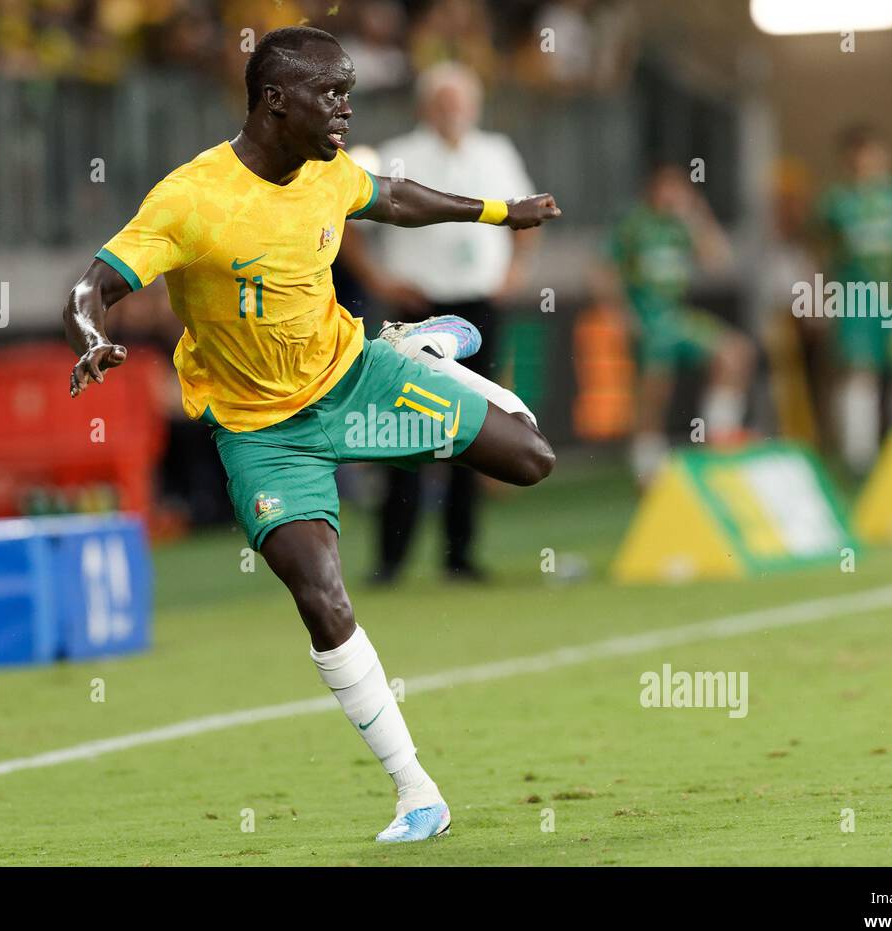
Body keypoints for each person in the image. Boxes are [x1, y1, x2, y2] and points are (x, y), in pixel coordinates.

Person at [61, 26, 560, 843]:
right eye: (331, 93)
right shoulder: (192, 198)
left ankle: (416, 349)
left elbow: (393, 196)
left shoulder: (326, 171)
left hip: (355, 378)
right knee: (321, 597)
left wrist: (505, 213)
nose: (346, 107)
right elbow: (94, 285)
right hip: (262, 432)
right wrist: (91, 337)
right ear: (274, 101)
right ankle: (416, 792)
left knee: (531, 458)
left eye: (348, 90)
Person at [339, 61, 537, 583]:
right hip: (418, 310)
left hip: (479, 303)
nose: (452, 112)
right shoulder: (400, 154)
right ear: (428, 107)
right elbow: (345, 222)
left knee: (478, 423)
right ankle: (391, 558)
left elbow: (525, 216)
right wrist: (378, 281)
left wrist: (514, 272)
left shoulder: (496, 153)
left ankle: (460, 555)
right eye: (444, 103)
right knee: (404, 428)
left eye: (459, 102)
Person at [593, 163, 753, 482]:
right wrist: (621, 315)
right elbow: (602, 271)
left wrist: (697, 215)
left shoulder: (683, 224)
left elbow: (719, 260)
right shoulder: (634, 223)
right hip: (647, 319)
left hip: (676, 316)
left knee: (735, 352)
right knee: (655, 391)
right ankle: (647, 471)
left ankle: (718, 444)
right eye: (665, 187)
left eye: (677, 188)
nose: (671, 195)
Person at [811, 124, 892, 474]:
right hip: (855, 300)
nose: (868, 162)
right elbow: (821, 254)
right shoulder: (835, 203)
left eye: (873, 153)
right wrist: (820, 298)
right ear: (847, 159)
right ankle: (859, 460)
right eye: (860, 155)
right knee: (858, 372)